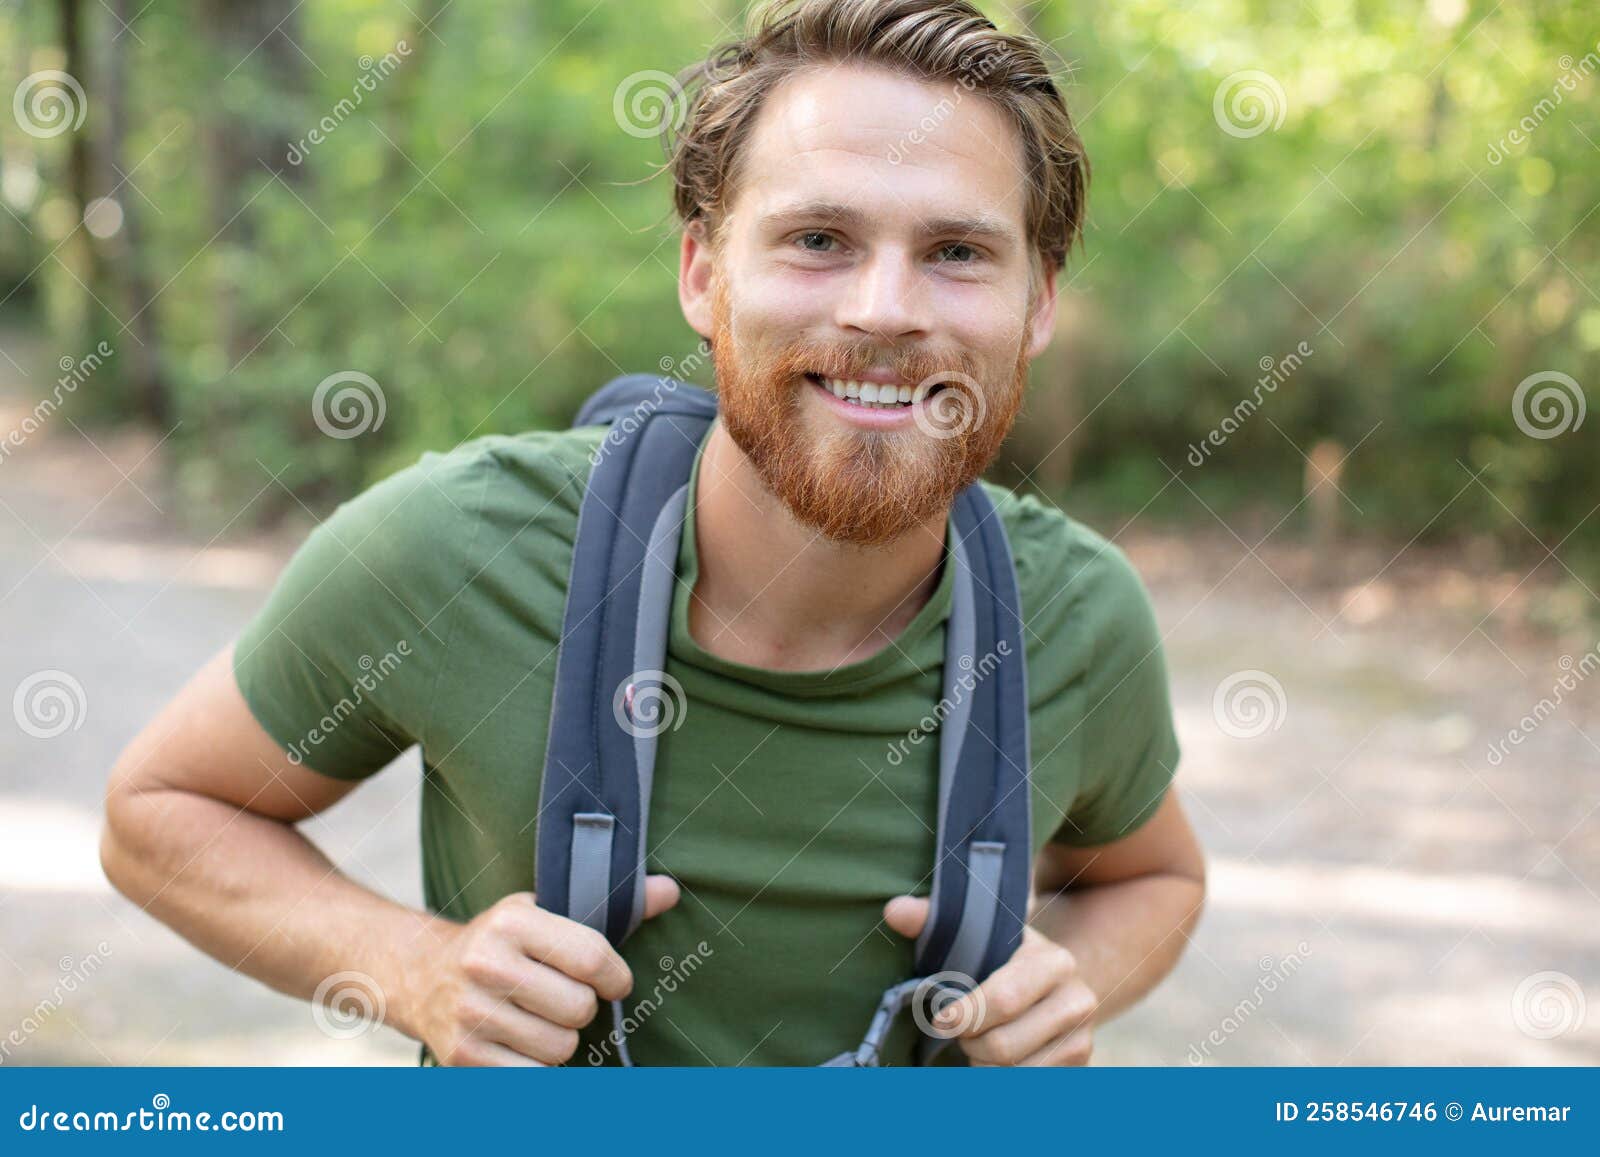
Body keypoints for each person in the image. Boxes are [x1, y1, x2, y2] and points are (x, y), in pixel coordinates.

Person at [101, 0, 1205, 1067]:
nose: (882, 309)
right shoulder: (449, 548)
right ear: (702, 273)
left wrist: (1071, 984)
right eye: (818, 238)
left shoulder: (1078, 618)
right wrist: (412, 966)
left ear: (1039, 302)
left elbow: (1156, 877)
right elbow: (161, 809)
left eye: (957, 252)